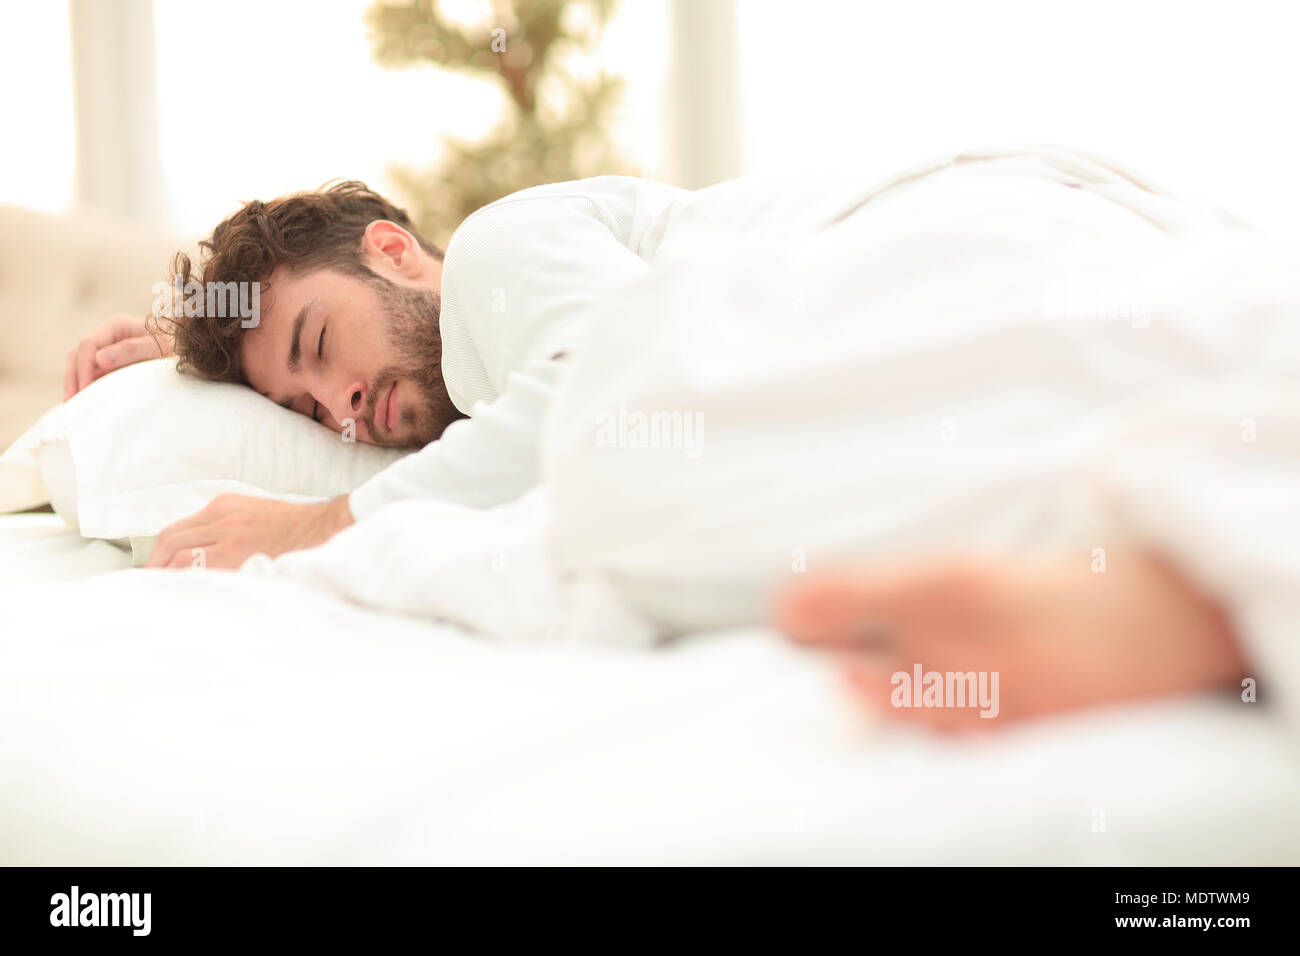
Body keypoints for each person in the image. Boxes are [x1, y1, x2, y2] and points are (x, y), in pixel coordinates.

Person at [65, 145, 1269, 730]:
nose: (343, 411)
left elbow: (598, 380)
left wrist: (318, 521)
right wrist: (173, 355)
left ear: (391, 249)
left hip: (961, 235)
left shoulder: (496, 250)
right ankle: (1177, 581)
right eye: (305, 414)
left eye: (323, 348)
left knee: (626, 477)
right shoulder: (473, 396)